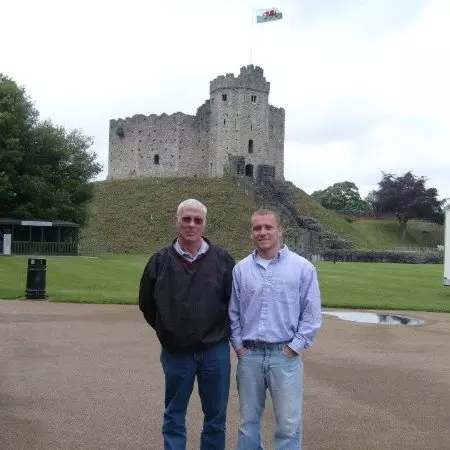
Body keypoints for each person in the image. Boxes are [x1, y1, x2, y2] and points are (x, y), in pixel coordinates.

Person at [139, 198, 235, 450]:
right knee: (174, 415)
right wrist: (168, 330)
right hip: (176, 352)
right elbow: (147, 304)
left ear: (204, 224)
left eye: (197, 220)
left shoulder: (223, 260)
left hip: (214, 352)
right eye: (186, 219)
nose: (191, 225)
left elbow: (233, 301)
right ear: (177, 221)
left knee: (215, 417)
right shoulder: (159, 261)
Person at [229, 208, 322, 450]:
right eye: (257, 228)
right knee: (248, 422)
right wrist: (239, 346)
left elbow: (311, 316)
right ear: (252, 233)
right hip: (250, 355)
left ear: (280, 230)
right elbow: (233, 312)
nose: (263, 232)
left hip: (284, 355)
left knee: (288, 425)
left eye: (268, 227)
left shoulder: (303, 269)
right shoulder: (241, 269)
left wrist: (293, 349)